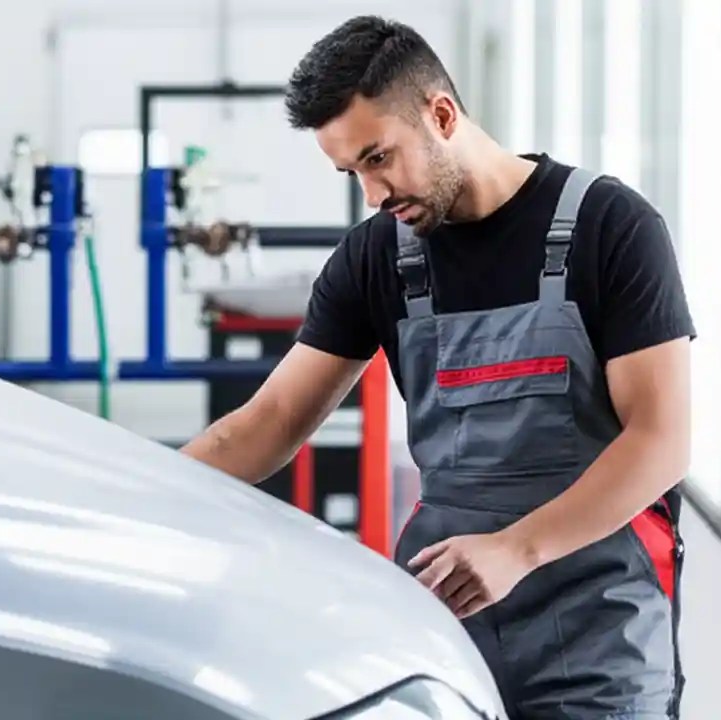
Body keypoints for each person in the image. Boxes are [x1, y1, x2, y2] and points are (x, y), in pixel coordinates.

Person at [179, 15, 694, 720]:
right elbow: (267, 422)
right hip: (447, 629)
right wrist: (137, 498)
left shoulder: (611, 229)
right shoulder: (377, 259)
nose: (372, 194)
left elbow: (661, 441)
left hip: (599, 636)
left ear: (442, 114)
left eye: (379, 158)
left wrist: (516, 550)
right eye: (352, 172)